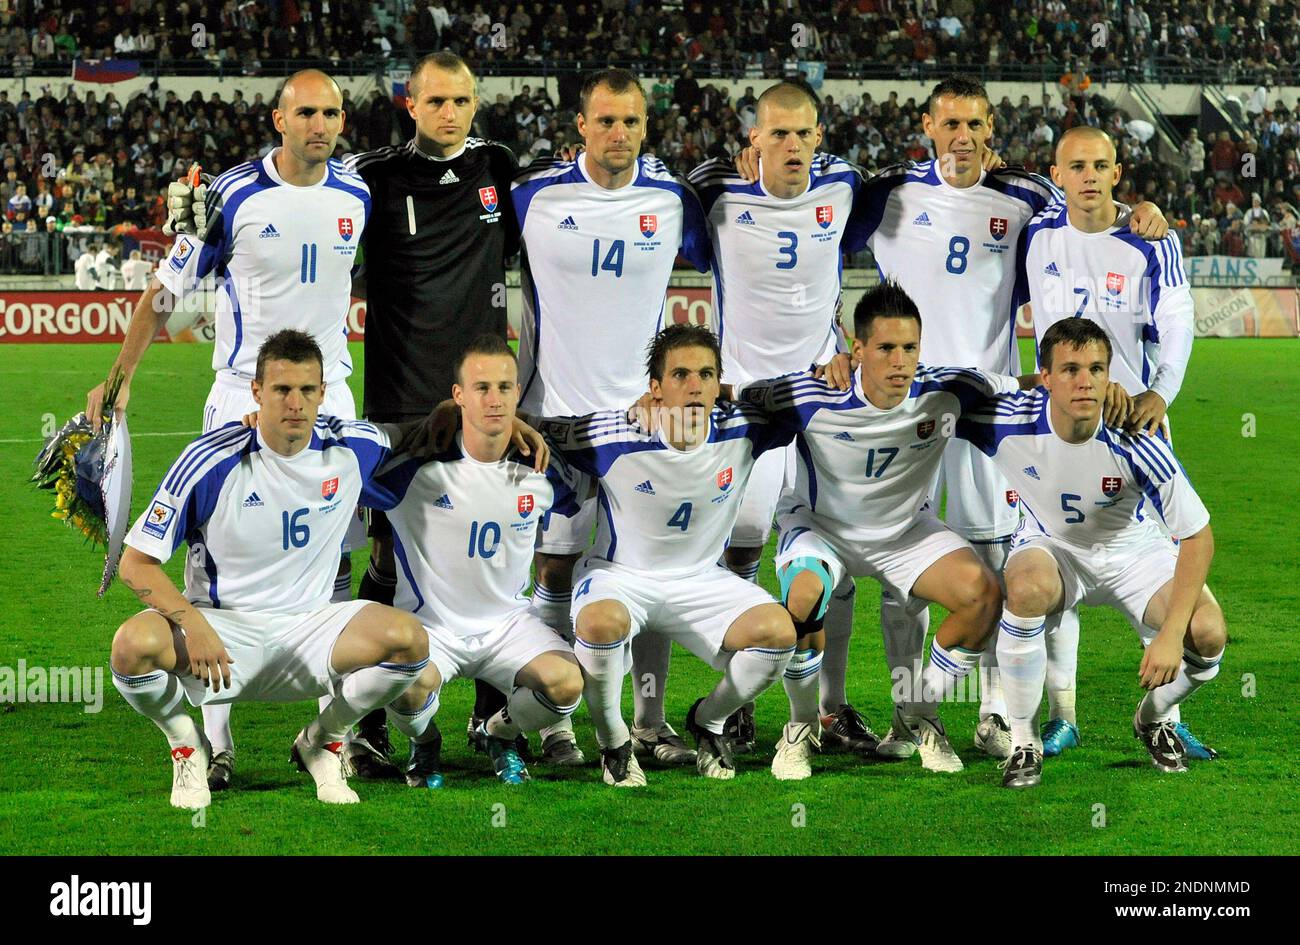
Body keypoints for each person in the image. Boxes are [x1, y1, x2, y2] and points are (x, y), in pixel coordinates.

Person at [845, 75, 1168, 765]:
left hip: (990, 409)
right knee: (905, 572)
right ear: (927, 126)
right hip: (904, 409)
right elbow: (808, 241)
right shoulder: (886, 192)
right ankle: (911, 714)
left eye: (976, 124)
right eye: (950, 123)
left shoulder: (1023, 194)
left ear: (991, 130)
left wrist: (1141, 207)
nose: (963, 136)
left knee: (992, 559)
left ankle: (992, 711)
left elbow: (1090, 203)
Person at [86, 69, 370, 792]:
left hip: (330, 395)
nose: (320, 124)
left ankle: (325, 734)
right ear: (279, 119)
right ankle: (215, 737)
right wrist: (118, 380)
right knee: (218, 557)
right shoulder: (233, 195)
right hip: (240, 398)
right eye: (306, 111)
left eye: (332, 112)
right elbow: (165, 294)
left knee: (328, 552)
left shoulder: (358, 195)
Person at [109, 331, 428, 810]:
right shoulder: (209, 460)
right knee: (131, 648)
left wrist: (491, 421)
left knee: (408, 639)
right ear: (256, 392)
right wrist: (191, 624)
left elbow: (426, 433)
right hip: (222, 630)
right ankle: (186, 746)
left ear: (324, 393)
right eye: (281, 390)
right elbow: (135, 563)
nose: (295, 403)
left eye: (307, 390)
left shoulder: (352, 447)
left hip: (312, 627)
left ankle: (324, 739)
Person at [741, 282, 1031, 777]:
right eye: (886, 348)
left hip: (904, 533)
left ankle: (918, 712)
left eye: (910, 348)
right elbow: (746, 398)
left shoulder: (948, 390)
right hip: (820, 527)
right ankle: (799, 727)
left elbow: (1023, 386)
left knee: (984, 595)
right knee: (804, 599)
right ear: (857, 350)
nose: (900, 361)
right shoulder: (811, 393)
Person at [511, 68, 712, 768]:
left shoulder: (674, 198)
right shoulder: (533, 196)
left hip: (642, 428)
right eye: (605, 120)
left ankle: (649, 721)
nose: (617, 132)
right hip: (554, 421)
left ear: (646, 127)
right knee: (556, 570)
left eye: (629, 120)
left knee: (646, 569)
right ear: (582, 126)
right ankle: (553, 719)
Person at [344, 52, 525, 772]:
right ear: (409, 104)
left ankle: (487, 714)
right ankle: (367, 724)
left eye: (463, 100)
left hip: (483, 397)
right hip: (400, 399)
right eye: (437, 101)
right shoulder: (374, 177)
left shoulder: (499, 167)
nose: (451, 112)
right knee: (388, 555)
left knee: (489, 550)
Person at [687, 80, 877, 755]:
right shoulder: (716, 189)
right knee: (738, 553)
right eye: (777, 133)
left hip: (825, 409)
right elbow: (677, 195)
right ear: (754, 141)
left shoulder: (846, 185)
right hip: (746, 408)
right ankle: (735, 694)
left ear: (819, 136)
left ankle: (832, 707)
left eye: (803, 132)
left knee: (837, 560)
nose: (791, 144)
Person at [957, 318, 1226, 787]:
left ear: (1110, 376)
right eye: (1070, 369)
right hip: (1053, 549)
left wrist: (1169, 635)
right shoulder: (1007, 420)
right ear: (1044, 377)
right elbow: (935, 394)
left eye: (1097, 370)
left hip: (1134, 553)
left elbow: (1198, 536)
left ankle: (1154, 718)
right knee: (1023, 587)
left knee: (1206, 634)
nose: (1085, 381)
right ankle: (1024, 743)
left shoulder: (1137, 436)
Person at [1019, 125, 1213, 759]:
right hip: (1055, 431)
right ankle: (1062, 715)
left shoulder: (1150, 242)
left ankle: (1160, 712)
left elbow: (1178, 321)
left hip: (1134, 436)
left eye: (1101, 165)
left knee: (1165, 581)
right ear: (1058, 173)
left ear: (1118, 171)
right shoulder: (1038, 231)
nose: (1090, 176)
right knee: (1055, 564)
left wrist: (1161, 392)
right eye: (1077, 166)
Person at [532, 324, 797, 785]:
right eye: (679, 376)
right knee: (598, 624)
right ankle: (614, 742)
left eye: (706, 375)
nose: (694, 386)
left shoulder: (744, 426)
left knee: (778, 635)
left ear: (719, 384)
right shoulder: (613, 433)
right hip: (621, 577)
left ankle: (708, 721)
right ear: (654, 389)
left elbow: (801, 400)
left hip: (700, 580)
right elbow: (544, 431)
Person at [366, 335, 586, 787]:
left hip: (507, 624)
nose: (494, 399)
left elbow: (586, 483)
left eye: (505, 388)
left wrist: (530, 428)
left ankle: (497, 734)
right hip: (433, 627)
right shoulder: (417, 466)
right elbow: (344, 449)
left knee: (567, 684)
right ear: (458, 396)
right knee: (407, 689)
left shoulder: (541, 468)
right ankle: (424, 743)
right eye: (481, 388)